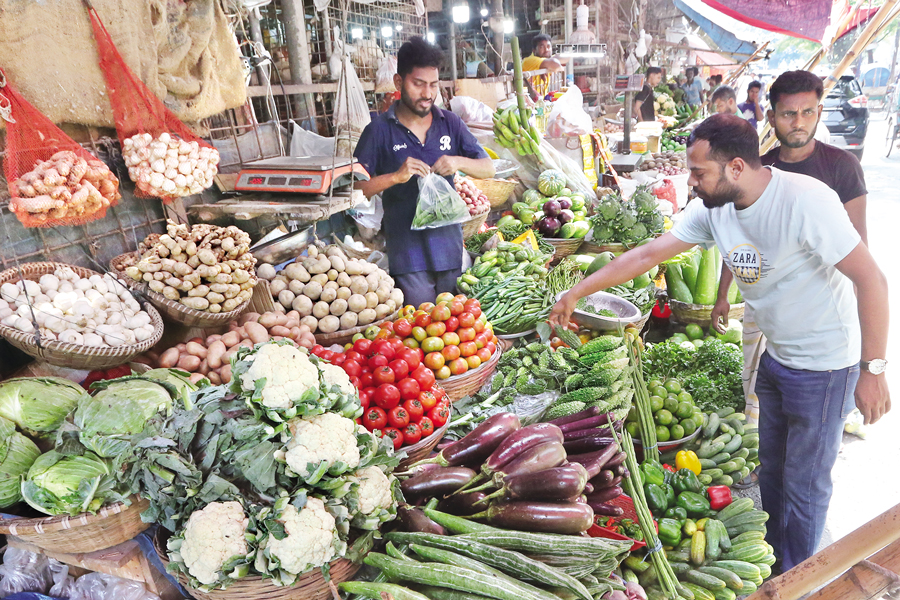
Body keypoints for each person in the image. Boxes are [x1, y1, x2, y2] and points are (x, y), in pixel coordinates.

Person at [550, 114, 890, 573]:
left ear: (734, 167)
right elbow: (650, 253)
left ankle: (799, 576)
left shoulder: (807, 202)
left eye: (698, 172)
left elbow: (872, 280)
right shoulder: (714, 208)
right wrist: (577, 292)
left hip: (827, 366)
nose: (691, 183)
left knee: (805, 484)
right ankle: (776, 558)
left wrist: (873, 370)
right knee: (771, 471)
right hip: (775, 356)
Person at [712, 70, 869, 434]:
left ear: (819, 112)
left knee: (811, 415)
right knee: (759, 391)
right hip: (764, 304)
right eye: (787, 114)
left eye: (808, 112)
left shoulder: (842, 167)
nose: (798, 123)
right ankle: (758, 447)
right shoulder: (761, 169)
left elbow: (861, 251)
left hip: (819, 315)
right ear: (771, 117)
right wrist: (722, 294)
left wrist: (864, 353)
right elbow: (736, 238)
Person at [354, 37, 495, 307]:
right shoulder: (379, 130)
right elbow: (354, 190)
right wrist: (395, 177)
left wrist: (457, 161)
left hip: (450, 250)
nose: (427, 93)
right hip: (408, 255)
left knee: (456, 329)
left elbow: (487, 166)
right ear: (398, 83)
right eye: (418, 84)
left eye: (433, 85)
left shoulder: (450, 123)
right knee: (422, 325)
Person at [522, 34, 568, 101]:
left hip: (540, 101)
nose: (546, 50)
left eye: (548, 46)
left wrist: (551, 61)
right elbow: (556, 64)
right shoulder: (530, 60)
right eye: (542, 47)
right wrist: (553, 62)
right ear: (534, 50)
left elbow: (566, 57)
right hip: (528, 102)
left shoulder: (546, 60)